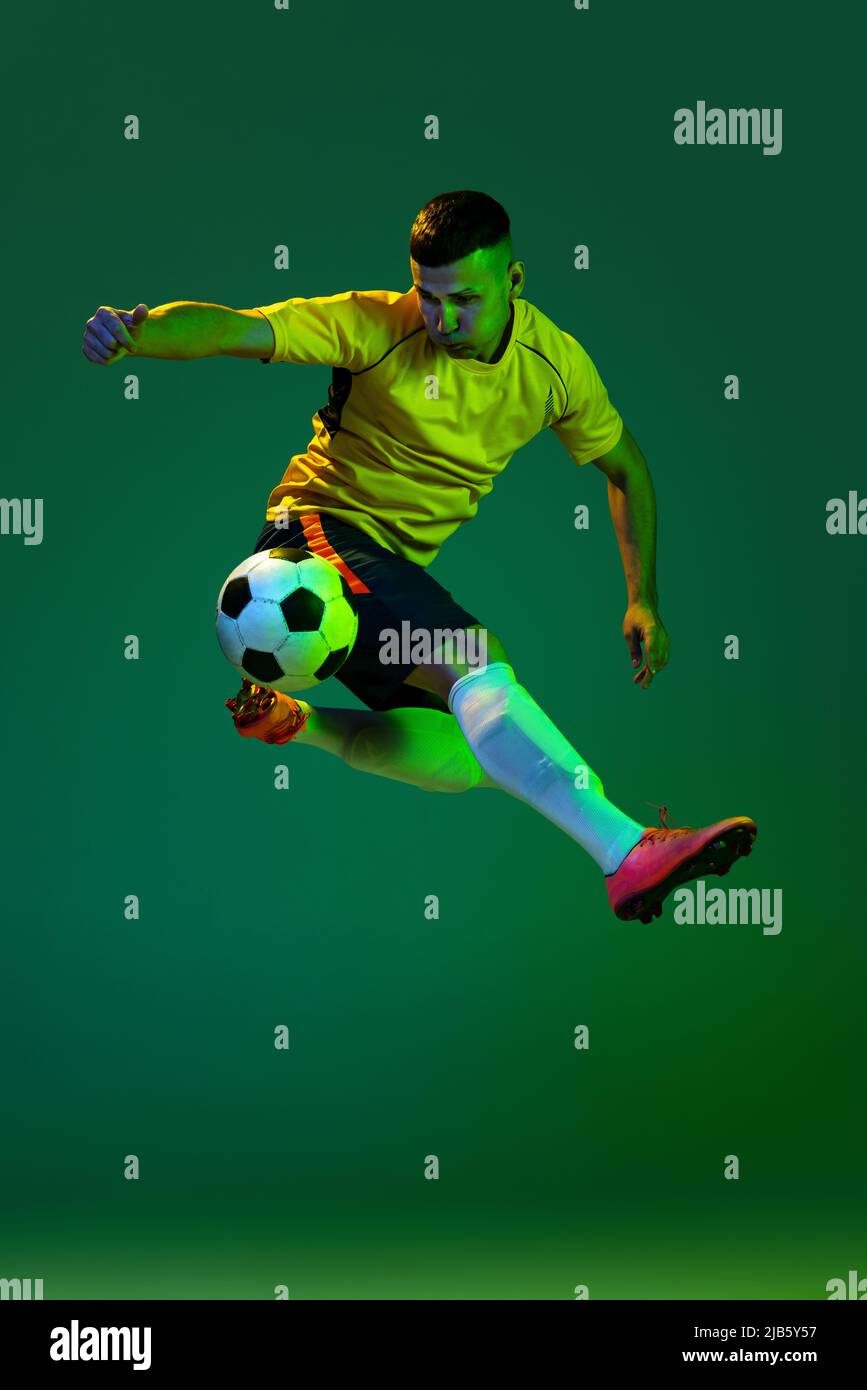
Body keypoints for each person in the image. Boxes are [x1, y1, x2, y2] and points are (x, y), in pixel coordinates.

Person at [82, 189, 756, 921]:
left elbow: (624, 468)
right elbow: (236, 330)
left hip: (386, 572)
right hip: (315, 539)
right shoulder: (377, 325)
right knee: (473, 658)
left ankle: (300, 722)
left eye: (463, 298)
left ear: (514, 281)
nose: (441, 319)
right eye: (427, 296)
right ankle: (627, 852)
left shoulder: (553, 367)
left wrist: (641, 596)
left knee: (464, 748)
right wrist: (137, 334)